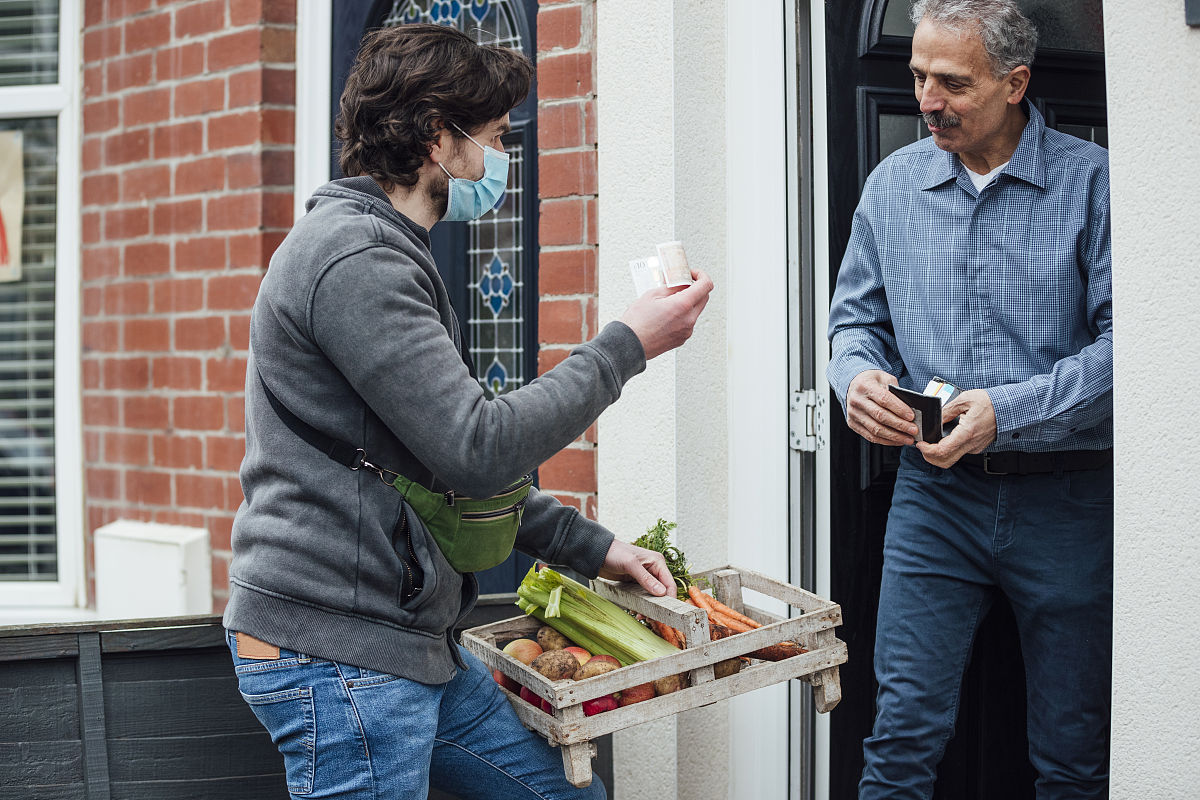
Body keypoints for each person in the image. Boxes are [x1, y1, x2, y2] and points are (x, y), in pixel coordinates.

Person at [223, 23, 713, 800]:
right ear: (434, 138)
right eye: (490, 137)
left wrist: (592, 547)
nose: (498, 160)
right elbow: (477, 447)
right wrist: (627, 344)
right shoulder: (356, 262)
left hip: (405, 645)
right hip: (341, 658)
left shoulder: (386, 253)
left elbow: (437, 468)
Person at [826, 1, 1112, 798]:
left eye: (951, 82)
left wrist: (1007, 411)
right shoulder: (892, 185)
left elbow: (1133, 351)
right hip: (931, 498)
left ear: (1015, 83)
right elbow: (854, 323)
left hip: (1070, 501)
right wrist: (856, 379)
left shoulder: (1095, 185)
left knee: (1073, 755)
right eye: (918, 76)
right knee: (899, 741)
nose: (926, 99)